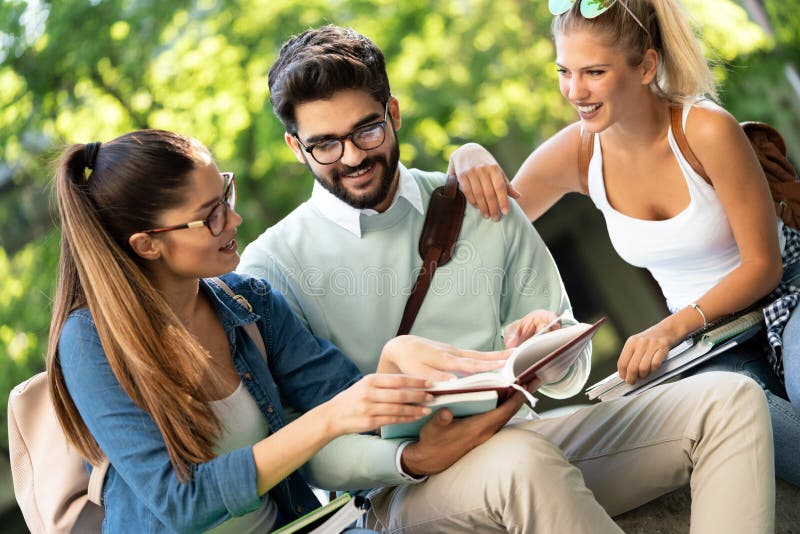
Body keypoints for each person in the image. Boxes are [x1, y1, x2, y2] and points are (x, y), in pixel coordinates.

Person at [239, 24, 776, 533]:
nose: (353, 157)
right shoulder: (270, 268)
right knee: (521, 461)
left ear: (394, 114)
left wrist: (550, 345)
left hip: (523, 441)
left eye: (367, 130)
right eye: (326, 145)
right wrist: (405, 456)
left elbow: (570, 371)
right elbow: (300, 445)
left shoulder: (478, 202)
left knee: (729, 402)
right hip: (397, 493)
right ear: (295, 147)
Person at [46, 128, 487, 532]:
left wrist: (498, 366)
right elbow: (180, 501)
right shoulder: (90, 343)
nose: (233, 222)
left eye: (226, 196)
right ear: (148, 244)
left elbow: (347, 401)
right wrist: (329, 419)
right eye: (211, 216)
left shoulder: (247, 303)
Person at [449, 0, 800, 486]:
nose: (575, 91)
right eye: (564, 72)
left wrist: (667, 331)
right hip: (708, 345)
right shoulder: (577, 152)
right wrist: (465, 155)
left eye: (594, 71)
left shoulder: (705, 129)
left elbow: (764, 268)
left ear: (647, 66)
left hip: (787, 297)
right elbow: (485, 233)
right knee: (752, 424)